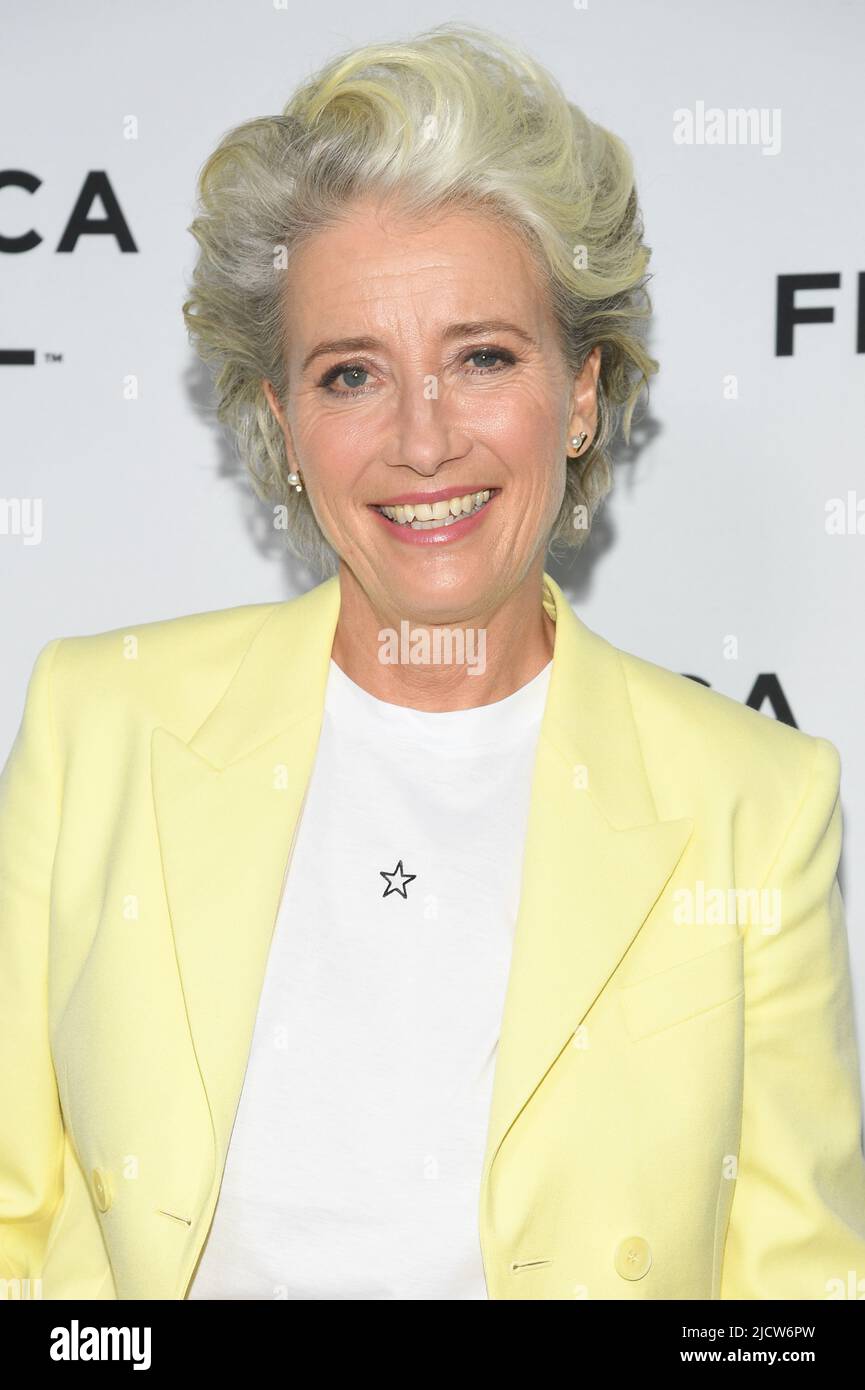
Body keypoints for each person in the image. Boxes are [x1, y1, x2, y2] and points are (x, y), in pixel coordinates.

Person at [2, 22, 864, 1302]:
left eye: (481, 358)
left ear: (581, 392)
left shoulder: (754, 804)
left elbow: (792, 1308)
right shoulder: (99, 721)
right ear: (281, 423)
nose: (423, 440)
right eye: (352, 373)